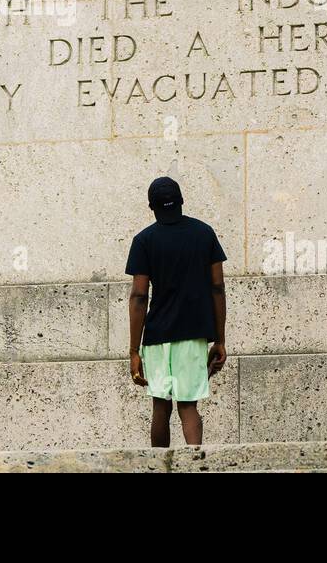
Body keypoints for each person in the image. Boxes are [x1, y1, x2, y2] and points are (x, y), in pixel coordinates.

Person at [125, 175, 227, 448]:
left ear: (152, 207)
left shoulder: (144, 240)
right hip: (193, 333)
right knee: (188, 407)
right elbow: (217, 288)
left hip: (157, 335)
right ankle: (196, 466)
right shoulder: (204, 233)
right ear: (182, 201)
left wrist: (134, 351)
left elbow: (138, 296)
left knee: (161, 407)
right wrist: (220, 340)